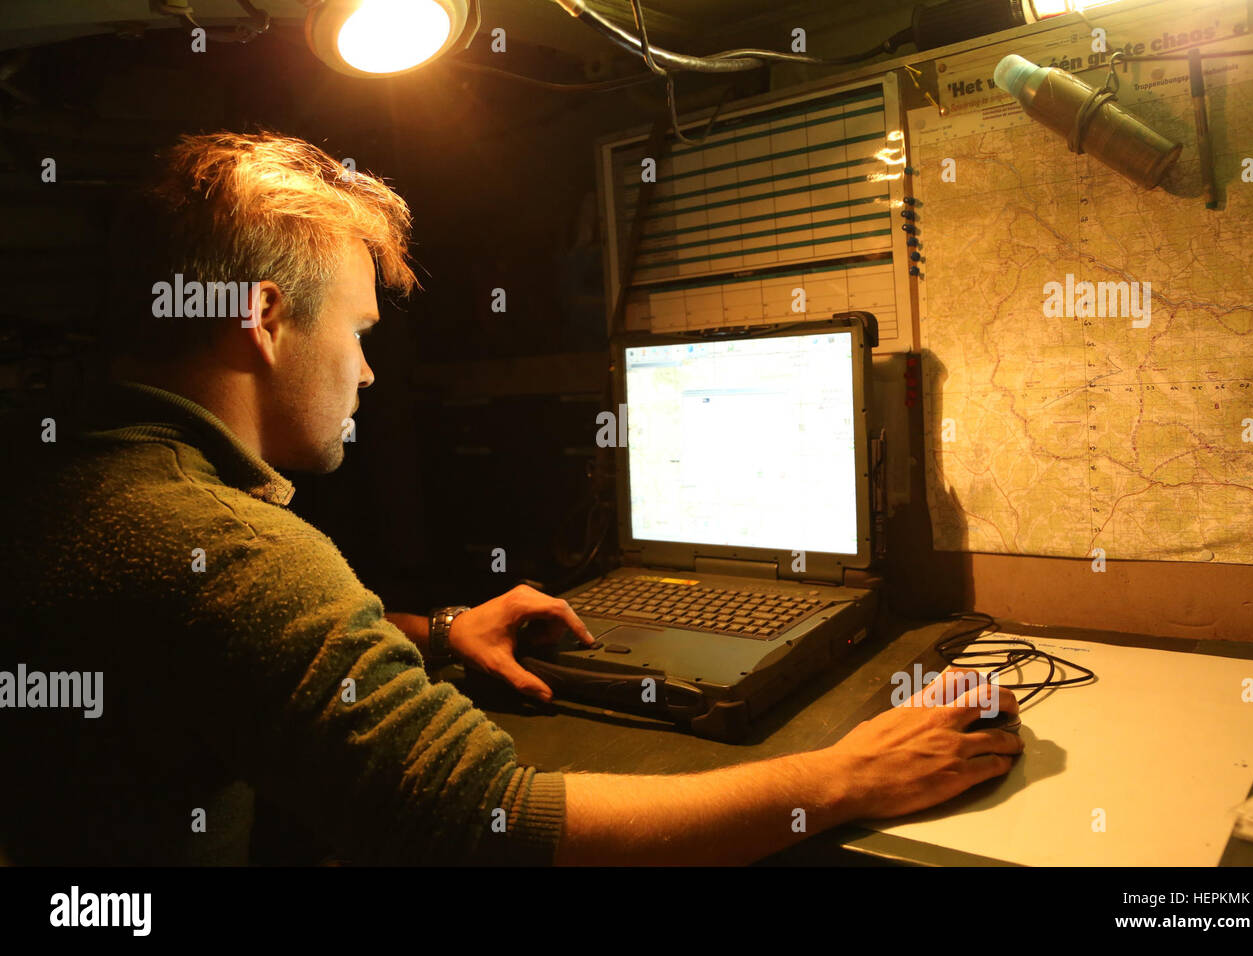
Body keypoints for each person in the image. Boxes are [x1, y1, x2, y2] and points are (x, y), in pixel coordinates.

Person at [0, 131, 1021, 866]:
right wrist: (844, 777)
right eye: (357, 332)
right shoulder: (225, 545)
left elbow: (215, 655)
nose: (366, 374)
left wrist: (440, 629)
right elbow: (483, 824)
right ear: (262, 319)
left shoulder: (77, 481)